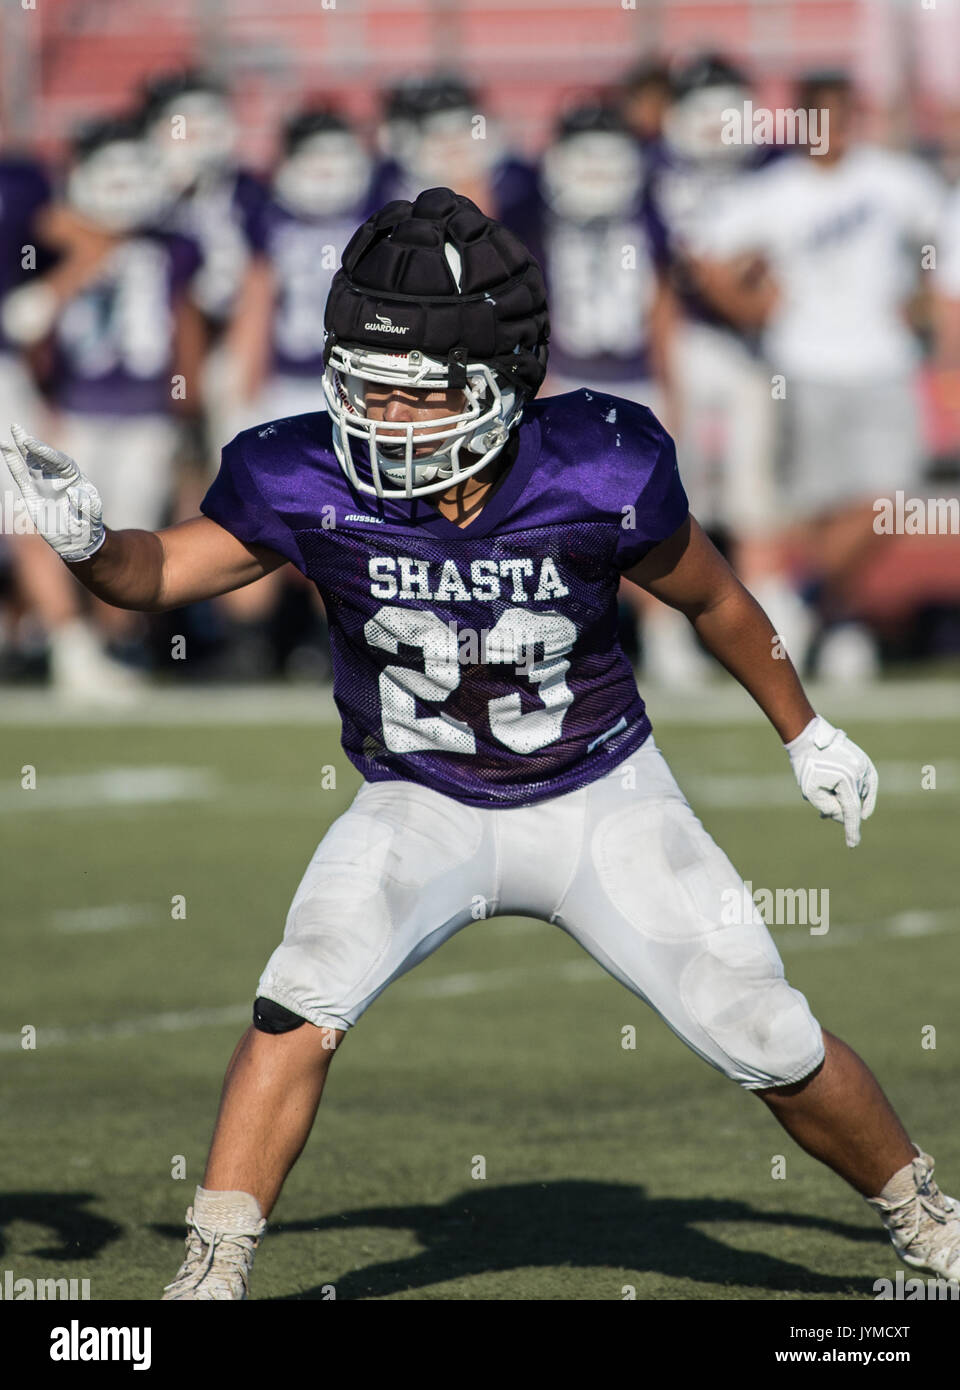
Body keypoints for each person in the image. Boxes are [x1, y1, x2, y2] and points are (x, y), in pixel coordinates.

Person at [4, 189, 957, 1301]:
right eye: (364, 387)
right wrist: (82, 541)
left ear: (503, 388)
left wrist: (810, 731)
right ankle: (213, 1270)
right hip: (421, 799)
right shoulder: (302, 472)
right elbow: (155, 573)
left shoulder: (598, 467)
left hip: (601, 790)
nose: (381, 419)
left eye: (415, 396)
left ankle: (927, 1219)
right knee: (298, 992)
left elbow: (719, 599)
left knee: (766, 1032)